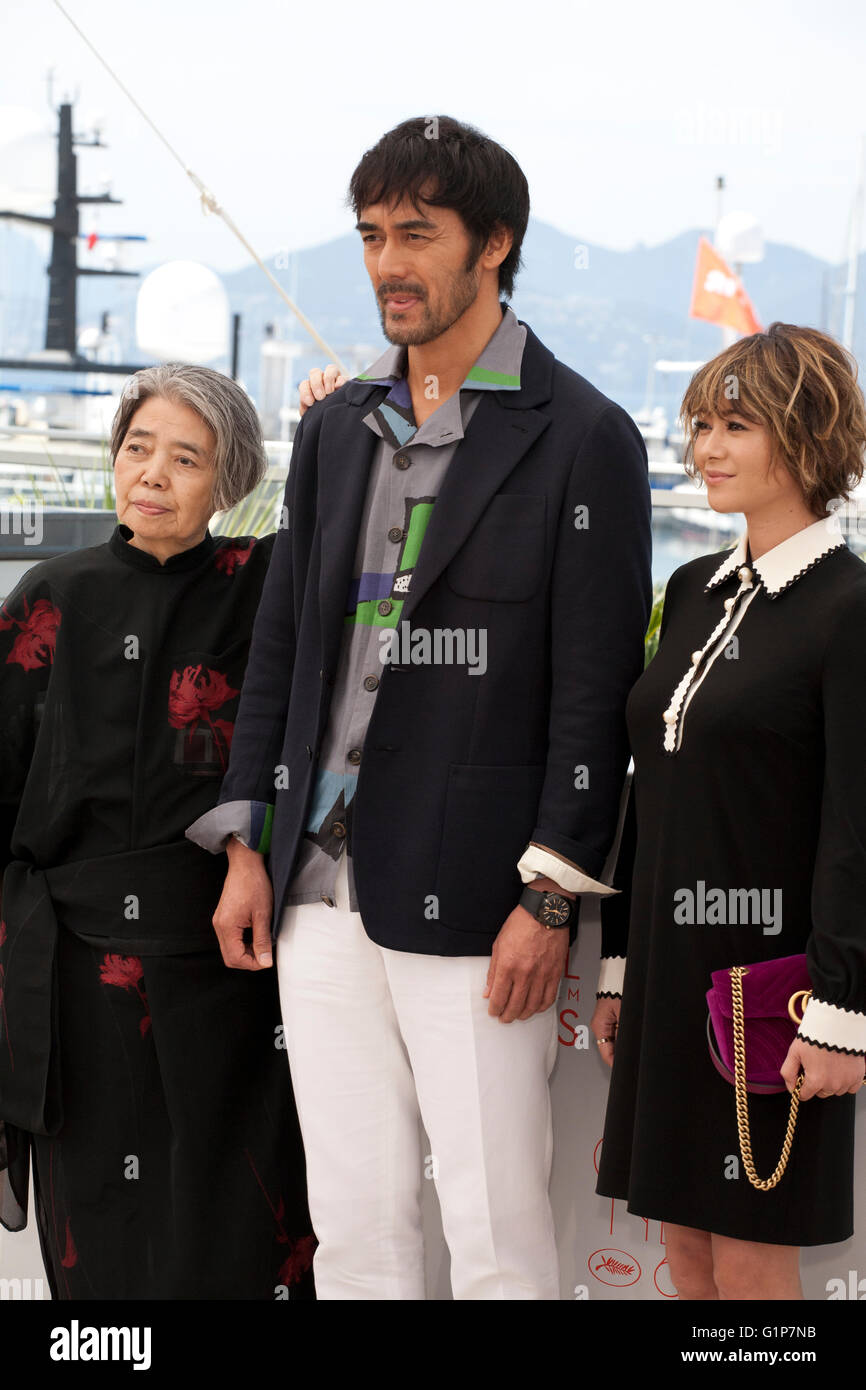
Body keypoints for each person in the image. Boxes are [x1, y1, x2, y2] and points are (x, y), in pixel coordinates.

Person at [187, 114, 652, 1300]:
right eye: (371, 235)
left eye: (417, 233)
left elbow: (595, 693)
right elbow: (285, 647)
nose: (388, 261)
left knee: (497, 1235)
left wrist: (547, 894)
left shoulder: (583, 438)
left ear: (492, 243)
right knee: (353, 1229)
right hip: (315, 886)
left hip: (480, 898)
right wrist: (249, 844)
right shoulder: (335, 429)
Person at [0, 365, 315, 1299]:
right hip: (76, 974)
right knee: (98, 1220)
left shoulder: (261, 586)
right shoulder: (50, 594)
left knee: (232, 1211)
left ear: (230, 483)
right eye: (139, 449)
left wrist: (345, 412)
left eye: (187, 458)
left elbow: (361, 536)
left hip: (224, 963)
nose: (153, 474)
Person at [591, 322, 866, 1300]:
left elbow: (856, 828)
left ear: (805, 436)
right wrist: (619, 964)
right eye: (698, 423)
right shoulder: (692, 590)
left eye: (734, 424)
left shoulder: (848, 606)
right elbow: (643, 789)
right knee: (686, 1256)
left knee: (752, 1258)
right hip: (669, 978)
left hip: (772, 995)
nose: (704, 446)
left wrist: (839, 1011)